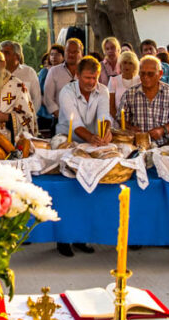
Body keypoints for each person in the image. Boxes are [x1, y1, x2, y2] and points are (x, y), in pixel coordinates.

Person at [53, 55, 109, 258]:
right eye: (87, 78)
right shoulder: (67, 92)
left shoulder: (102, 90)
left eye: (94, 78)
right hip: (67, 141)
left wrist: (106, 132)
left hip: (91, 145)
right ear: (77, 75)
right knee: (68, 191)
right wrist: (93, 137)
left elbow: (104, 116)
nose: (91, 82)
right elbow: (74, 124)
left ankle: (82, 236)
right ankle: (63, 238)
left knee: (89, 189)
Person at [120, 55, 169, 146]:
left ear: (160, 74)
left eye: (150, 74)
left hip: (165, 145)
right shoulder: (130, 94)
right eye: (143, 73)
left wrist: (163, 130)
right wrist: (130, 128)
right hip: (137, 145)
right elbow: (121, 118)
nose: (146, 77)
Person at [43, 38, 83, 122]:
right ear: (64, 53)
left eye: (75, 51)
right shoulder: (54, 71)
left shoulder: (87, 72)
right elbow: (48, 98)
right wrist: (60, 115)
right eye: (68, 51)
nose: (71, 54)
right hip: (60, 121)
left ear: (81, 54)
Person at [1, 40, 41, 109]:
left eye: (7, 53)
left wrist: (29, 116)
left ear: (16, 56)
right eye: (1, 53)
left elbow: (37, 99)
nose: (3, 56)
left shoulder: (29, 72)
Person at [109, 50, 140, 118]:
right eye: (125, 63)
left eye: (130, 63)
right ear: (120, 65)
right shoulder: (113, 80)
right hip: (117, 121)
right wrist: (121, 122)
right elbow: (111, 108)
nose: (127, 66)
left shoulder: (139, 80)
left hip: (136, 120)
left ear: (135, 65)